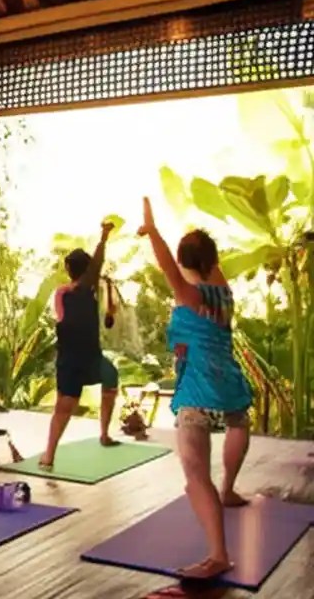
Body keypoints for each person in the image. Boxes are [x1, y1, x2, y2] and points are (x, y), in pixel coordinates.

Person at [138, 197, 251, 580]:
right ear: (212, 261)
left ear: (186, 262)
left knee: (195, 474)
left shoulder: (190, 295)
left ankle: (218, 555)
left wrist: (152, 231)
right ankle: (229, 489)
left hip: (198, 391)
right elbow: (202, 263)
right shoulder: (223, 291)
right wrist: (199, 251)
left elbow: (169, 268)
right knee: (238, 423)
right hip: (227, 382)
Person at [39, 221, 121, 469]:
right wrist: (103, 237)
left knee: (111, 376)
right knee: (64, 406)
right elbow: (96, 266)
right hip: (71, 361)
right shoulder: (66, 292)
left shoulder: (86, 290)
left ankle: (104, 434)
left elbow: (95, 267)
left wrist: (104, 239)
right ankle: (49, 455)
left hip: (92, 358)